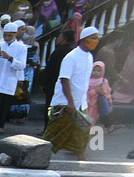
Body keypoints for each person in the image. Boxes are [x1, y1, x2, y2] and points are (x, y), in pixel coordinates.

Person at [43, 25, 101, 156]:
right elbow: (64, 80)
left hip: (81, 102)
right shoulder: (71, 57)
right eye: (93, 38)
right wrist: (70, 102)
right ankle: (38, 155)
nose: (96, 41)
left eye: (97, 38)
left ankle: (79, 155)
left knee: (82, 130)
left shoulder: (90, 57)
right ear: (84, 39)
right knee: (53, 133)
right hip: (64, 102)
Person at [87, 60, 113, 125]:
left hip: (98, 102)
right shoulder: (88, 80)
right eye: (94, 70)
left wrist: (109, 99)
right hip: (89, 100)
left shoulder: (103, 81)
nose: (96, 72)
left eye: (99, 71)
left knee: (95, 114)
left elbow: (107, 92)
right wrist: (94, 91)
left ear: (103, 71)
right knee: (89, 113)